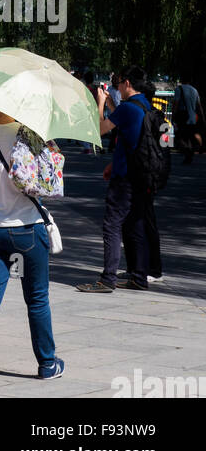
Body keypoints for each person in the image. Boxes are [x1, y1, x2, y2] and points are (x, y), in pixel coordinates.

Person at [0, 109, 63, 386]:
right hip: (27, 228)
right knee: (37, 298)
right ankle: (47, 363)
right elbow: (46, 181)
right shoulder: (31, 133)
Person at [76, 64, 152, 293]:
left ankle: (107, 279)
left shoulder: (128, 108)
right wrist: (111, 104)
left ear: (127, 83)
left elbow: (99, 130)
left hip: (124, 179)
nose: (117, 86)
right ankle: (139, 276)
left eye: (118, 83)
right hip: (141, 175)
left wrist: (99, 104)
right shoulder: (143, 105)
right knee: (134, 224)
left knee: (112, 225)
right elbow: (128, 133)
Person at [123, 83, 165, 285]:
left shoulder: (146, 115)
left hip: (145, 172)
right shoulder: (160, 117)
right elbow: (168, 145)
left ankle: (153, 269)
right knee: (135, 220)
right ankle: (136, 267)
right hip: (152, 171)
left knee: (145, 220)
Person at [174, 74, 203, 164]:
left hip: (183, 116)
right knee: (191, 134)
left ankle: (188, 151)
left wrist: (174, 115)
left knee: (179, 136)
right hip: (193, 116)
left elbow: (176, 103)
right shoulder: (195, 90)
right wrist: (202, 116)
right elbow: (199, 105)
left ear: (182, 80)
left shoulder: (179, 89)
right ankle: (197, 148)